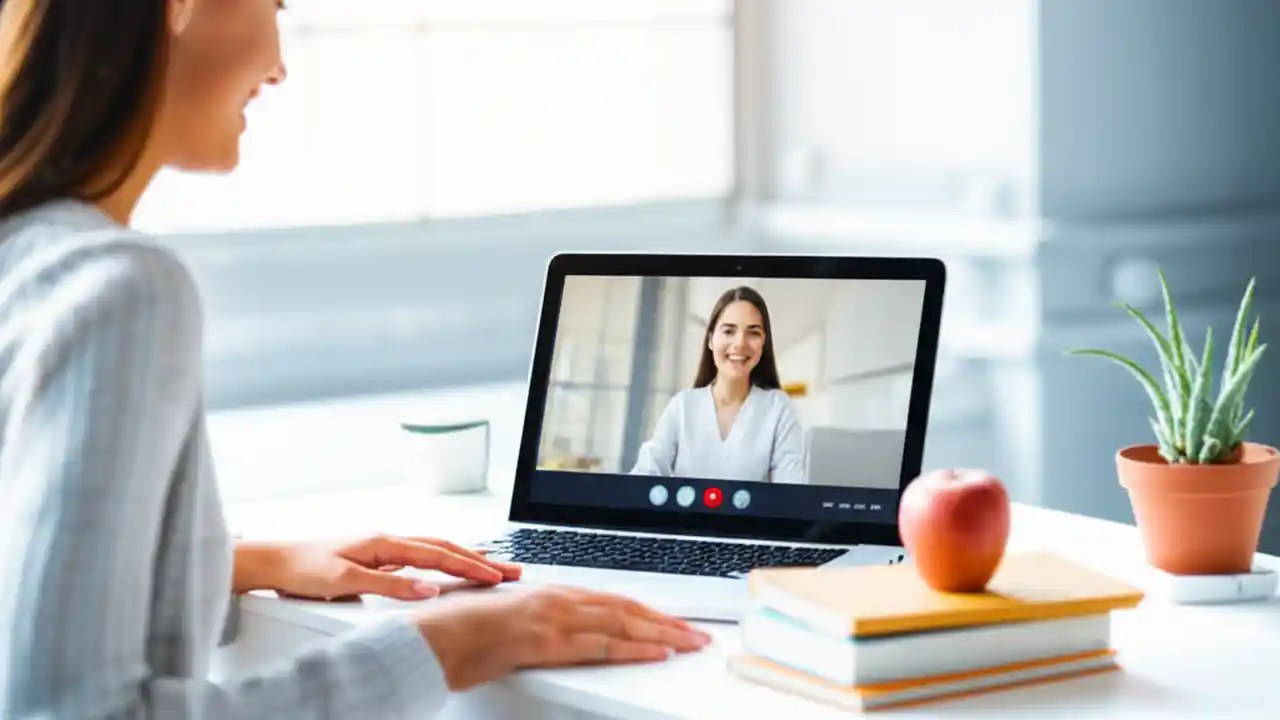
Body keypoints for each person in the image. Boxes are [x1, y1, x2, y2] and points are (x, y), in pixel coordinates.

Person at [0, 1, 709, 718]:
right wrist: (452, 643)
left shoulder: (25, 260)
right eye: (274, 4)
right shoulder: (118, 290)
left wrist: (251, 562)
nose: (278, 66)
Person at [631, 286, 806, 484]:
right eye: (729, 331)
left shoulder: (779, 409)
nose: (740, 343)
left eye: (753, 333)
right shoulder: (683, 406)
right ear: (711, 340)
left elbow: (791, 491)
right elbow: (646, 473)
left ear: (763, 343)